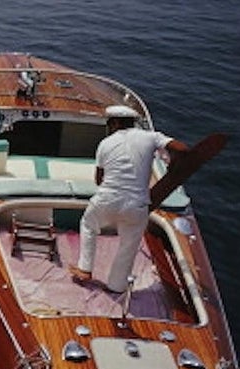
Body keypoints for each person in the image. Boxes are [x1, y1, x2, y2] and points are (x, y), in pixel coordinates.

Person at [70, 105, 189, 293]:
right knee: (129, 245)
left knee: (88, 225)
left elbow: (99, 180)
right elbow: (182, 149)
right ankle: (116, 286)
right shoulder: (152, 137)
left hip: (107, 200)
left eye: (109, 123)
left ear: (116, 122)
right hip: (137, 206)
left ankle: (85, 269)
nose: (108, 127)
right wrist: (174, 164)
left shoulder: (105, 144)